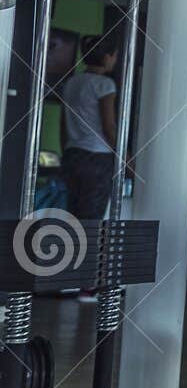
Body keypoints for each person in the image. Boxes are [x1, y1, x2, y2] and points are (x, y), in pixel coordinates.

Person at [58, 31, 122, 302]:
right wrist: (126, 156)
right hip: (98, 158)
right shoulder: (105, 85)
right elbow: (109, 126)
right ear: (108, 57)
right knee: (93, 222)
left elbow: (63, 125)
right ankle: (87, 286)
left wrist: (67, 153)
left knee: (74, 219)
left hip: (74, 155)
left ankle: (70, 279)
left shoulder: (72, 83)